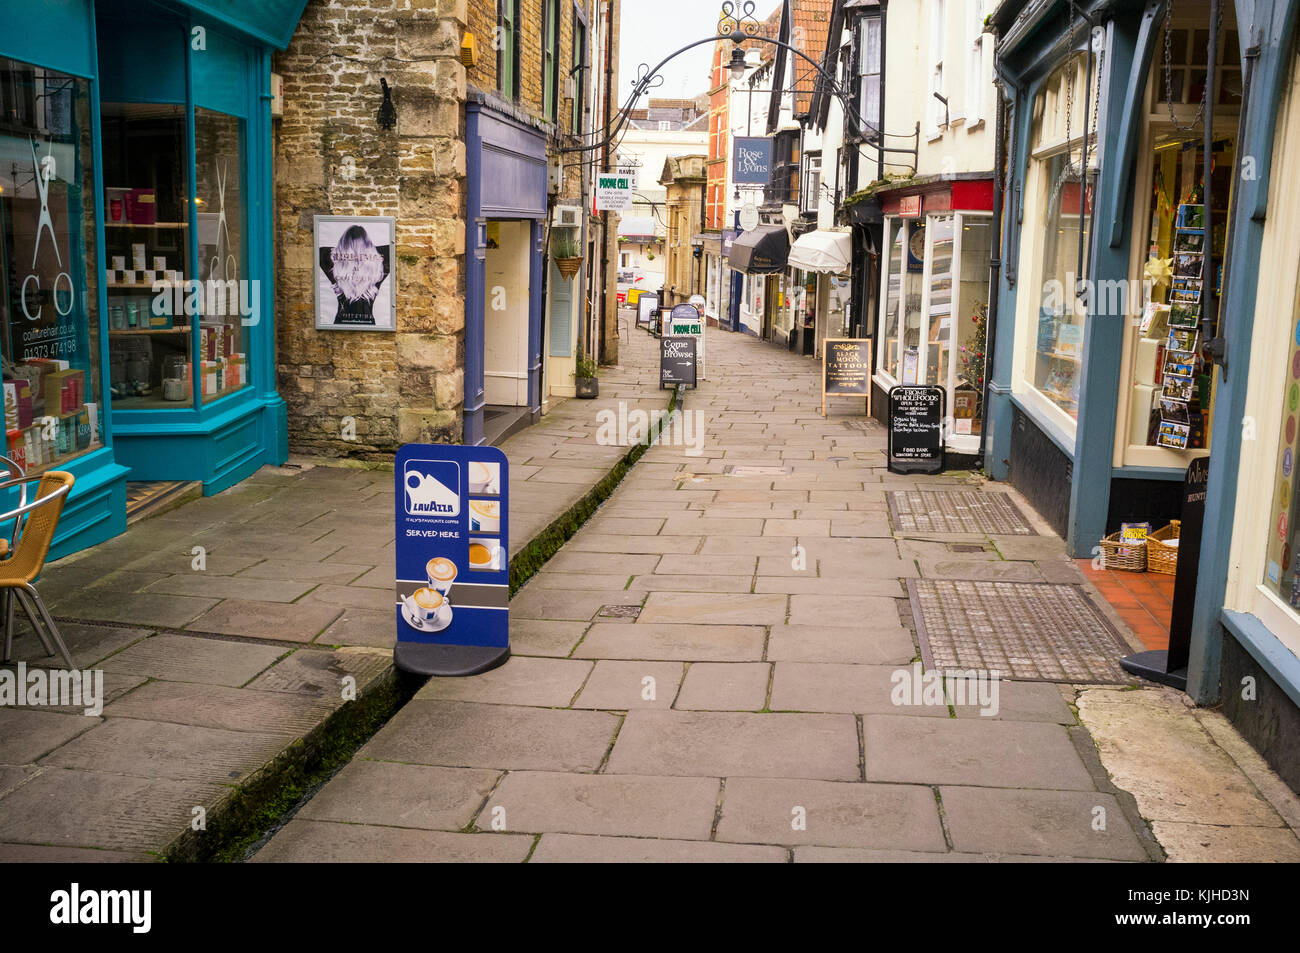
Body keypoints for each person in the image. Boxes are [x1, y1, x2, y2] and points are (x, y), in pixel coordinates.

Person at [318, 225, 391, 325]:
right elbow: (390, 248)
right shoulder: (378, 264)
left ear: (342, 243)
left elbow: (321, 250)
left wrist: (344, 251)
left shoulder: (331, 262)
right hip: (368, 322)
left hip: (341, 322)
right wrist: (366, 251)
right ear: (368, 244)